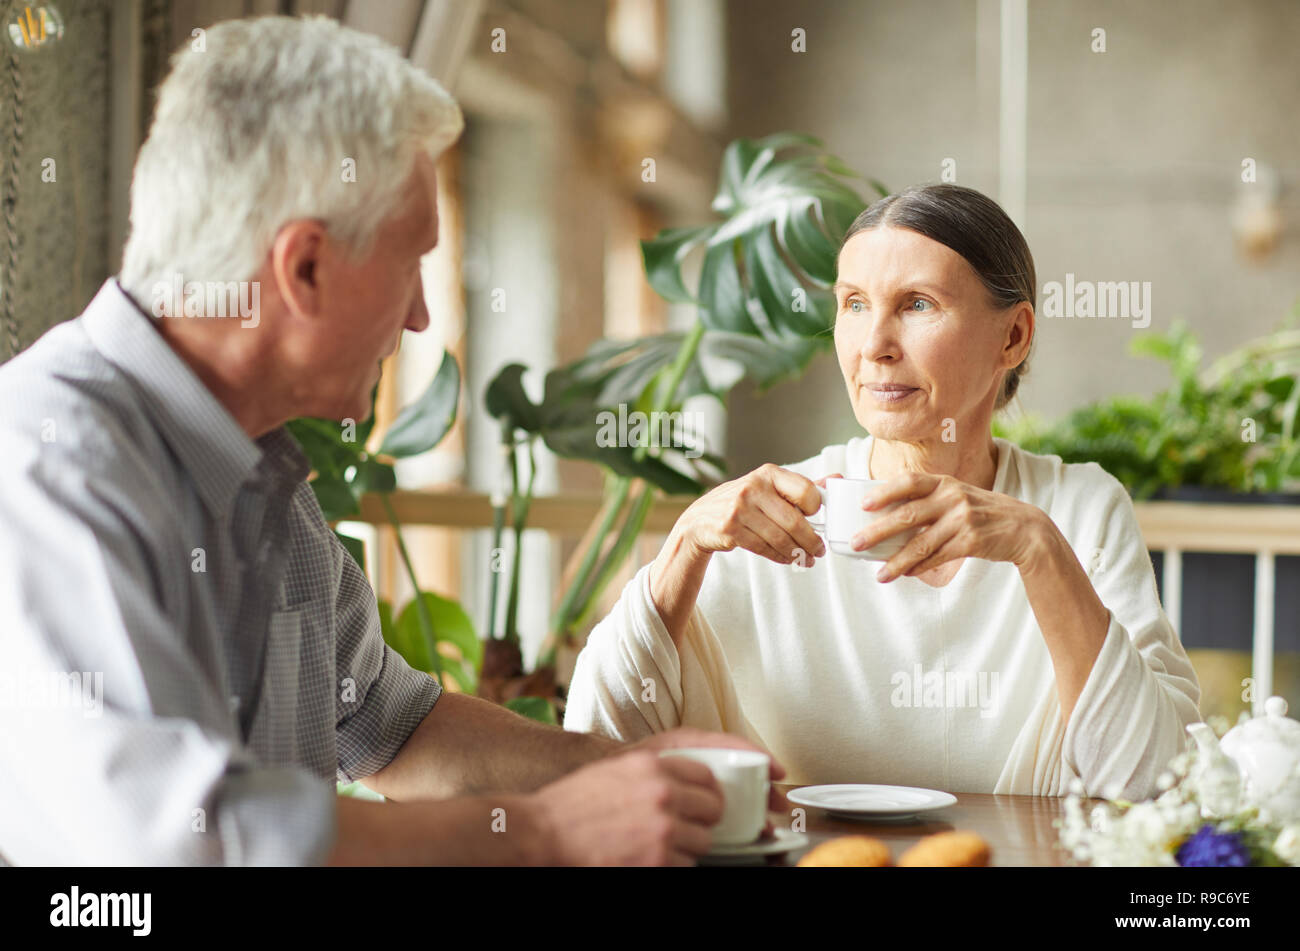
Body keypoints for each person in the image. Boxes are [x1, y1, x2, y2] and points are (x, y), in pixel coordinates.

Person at [0, 15, 784, 866]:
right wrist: (553, 833)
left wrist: (621, 774)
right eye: (412, 262)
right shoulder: (48, 462)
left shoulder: (265, 475)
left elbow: (395, 729)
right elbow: (178, 847)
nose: (420, 315)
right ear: (303, 268)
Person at [565, 183, 1202, 802]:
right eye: (854, 304)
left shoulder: (1078, 511)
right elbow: (599, 748)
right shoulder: (771, 518)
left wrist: (1039, 550)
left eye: (918, 304)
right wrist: (682, 549)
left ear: (1013, 336)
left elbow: (1152, 780)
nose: (874, 346)